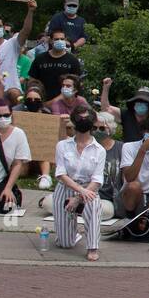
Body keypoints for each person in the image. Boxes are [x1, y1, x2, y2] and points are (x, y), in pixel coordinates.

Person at [51, 104, 106, 261]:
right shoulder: (62, 145)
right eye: (80, 118)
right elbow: (60, 174)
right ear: (74, 121)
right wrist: (77, 191)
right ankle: (70, 233)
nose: (83, 121)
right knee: (65, 244)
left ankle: (93, 246)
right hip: (66, 187)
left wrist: (80, 196)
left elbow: (97, 179)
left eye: (87, 118)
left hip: (88, 188)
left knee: (93, 203)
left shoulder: (99, 150)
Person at [27, 26, 83, 101]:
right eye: (56, 39)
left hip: (64, 100)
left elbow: (77, 83)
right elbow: (32, 80)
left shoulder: (72, 60)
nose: (59, 41)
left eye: (62, 39)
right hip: (42, 100)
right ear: (50, 41)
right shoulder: (40, 59)